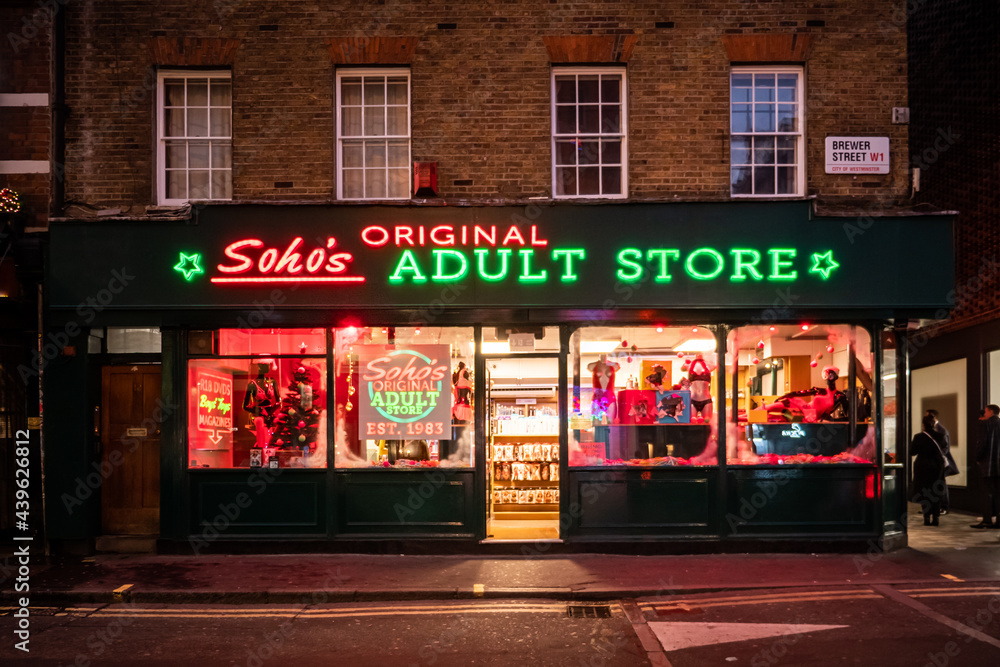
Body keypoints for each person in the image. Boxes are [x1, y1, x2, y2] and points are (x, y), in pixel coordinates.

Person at [910, 414, 946, 526]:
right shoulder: (940, 436)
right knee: (936, 490)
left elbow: (912, 452)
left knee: (924, 491)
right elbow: (944, 450)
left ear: (923, 425)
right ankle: (936, 517)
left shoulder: (918, 437)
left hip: (922, 465)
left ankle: (926, 517)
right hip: (937, 465)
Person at [970, 404, 1000, 529]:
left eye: (986, 411)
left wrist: (977, 458)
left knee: (987, 493)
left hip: (987, 464)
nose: (984, 413)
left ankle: (987, 520)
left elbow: (982, 443)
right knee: (998, 494)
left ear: (991, 412)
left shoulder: (985, 424)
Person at [925, 409, 953, 514]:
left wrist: (937, 456)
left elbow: (945, 448)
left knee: (941, 484)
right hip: (932, 461)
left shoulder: (941, 430)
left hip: (939, 461)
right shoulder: (930, 430)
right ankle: (932, 507)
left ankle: (944, 507)